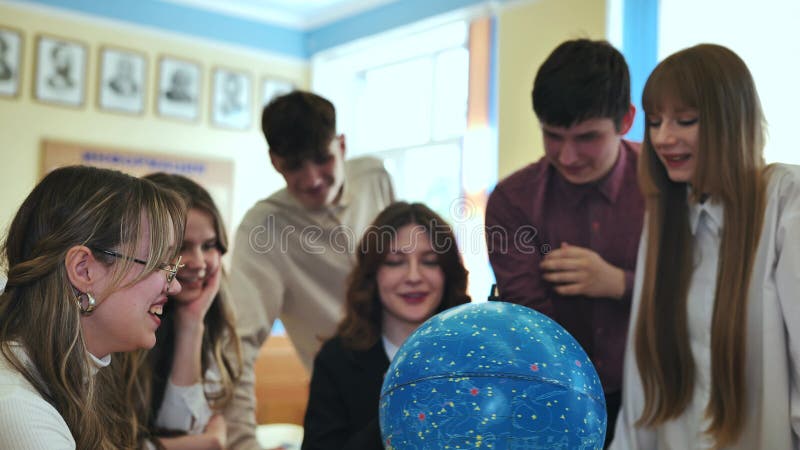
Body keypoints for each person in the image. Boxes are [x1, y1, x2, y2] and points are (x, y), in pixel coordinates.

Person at [610, 44, 800, 450]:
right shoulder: (665, 222)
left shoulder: (785, 201)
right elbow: (641, 392)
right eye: (656, 122)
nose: (663, 138)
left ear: (731, 120)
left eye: (686, 120)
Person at [484, 38, 643, 446]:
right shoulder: (512, 201)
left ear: (625, 120)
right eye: (552, 136)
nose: (567, 156)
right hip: (557, 401)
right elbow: (529, 324)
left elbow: (702, 293)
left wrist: (620, 283)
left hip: (662, 399)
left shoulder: (667, 186)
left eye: (587, 137)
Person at [226, 90, 394, 449]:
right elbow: (238, 346)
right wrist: (242, 443)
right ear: (275, 162)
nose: (313, 178)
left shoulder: (374, 177)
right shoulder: (263, 229)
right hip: (344, 399)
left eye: (322, 158)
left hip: (413, 372)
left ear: (342, 145)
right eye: (294, 166)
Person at [0, 165, 185, 449]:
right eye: (160, 264)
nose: (175, 287)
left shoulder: (69, 376)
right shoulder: (19, 408)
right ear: (84, 270)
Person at [301, 202, 471, 450]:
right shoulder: (336, 361)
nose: (414, 277)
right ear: (373, 273)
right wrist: (398, 404)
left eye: (430, 261)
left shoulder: (474, 354)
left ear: (447, 273)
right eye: (395, 261)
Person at [111, 173, 243, 449]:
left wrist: (192, 323)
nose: (198, 262)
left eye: (208, 246)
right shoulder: (115, 321)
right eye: (182, 247)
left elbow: (180, 428)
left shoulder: (212, 322)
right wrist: (205, 444)